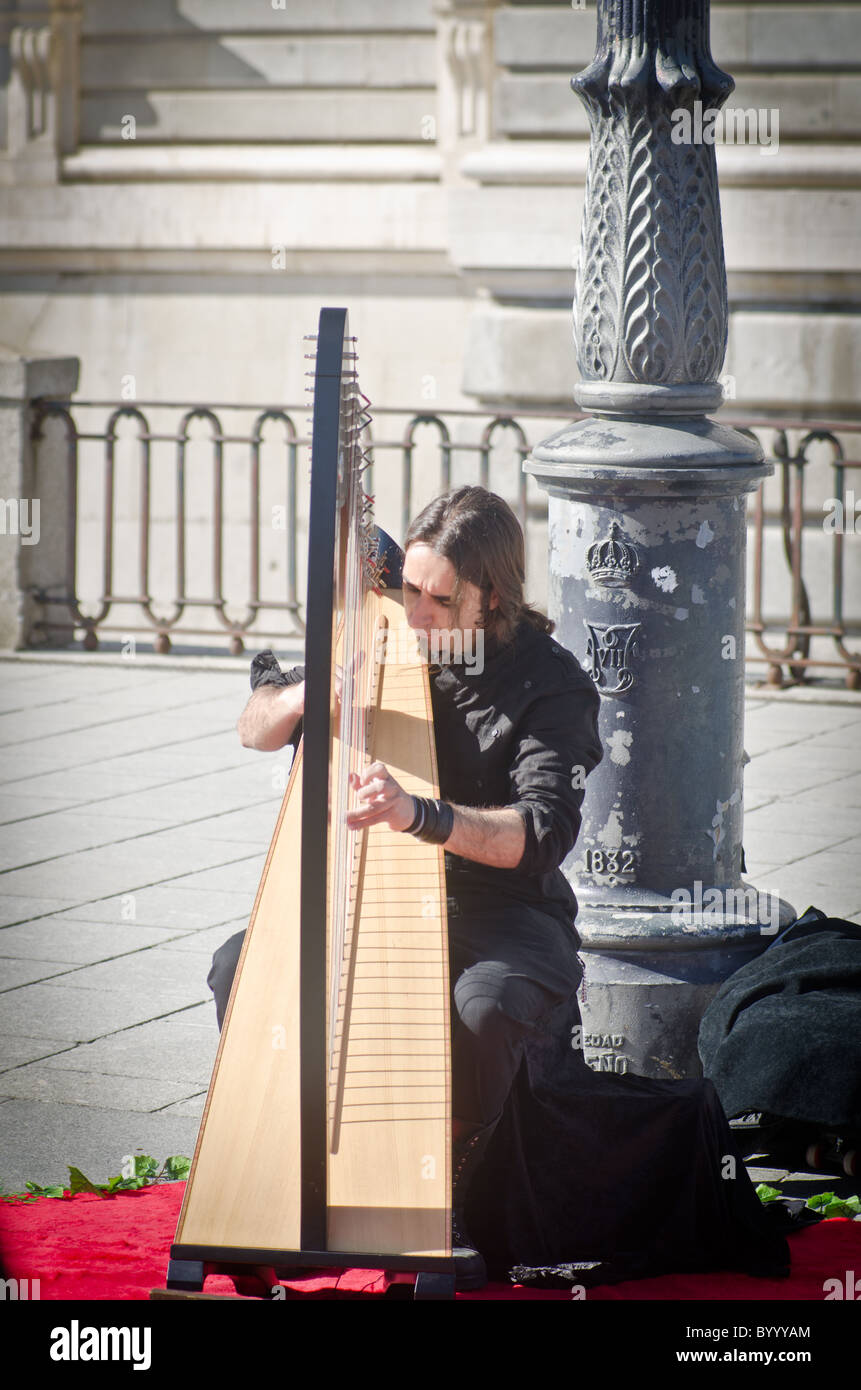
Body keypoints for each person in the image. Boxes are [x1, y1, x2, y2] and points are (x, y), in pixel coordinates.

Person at [208, 487, 790, 1290]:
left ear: (493, 600)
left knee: (478, 1009)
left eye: (440, 601)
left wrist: (423, 814)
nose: (416, 614)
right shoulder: (378, 624)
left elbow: (540, 834)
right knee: (239, 967)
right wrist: (320, 689)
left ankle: (435, 1195)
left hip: (502, 909)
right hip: (373, 889)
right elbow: (253, 723)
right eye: (408, 590)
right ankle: (290, 1178)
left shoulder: (549, 683)